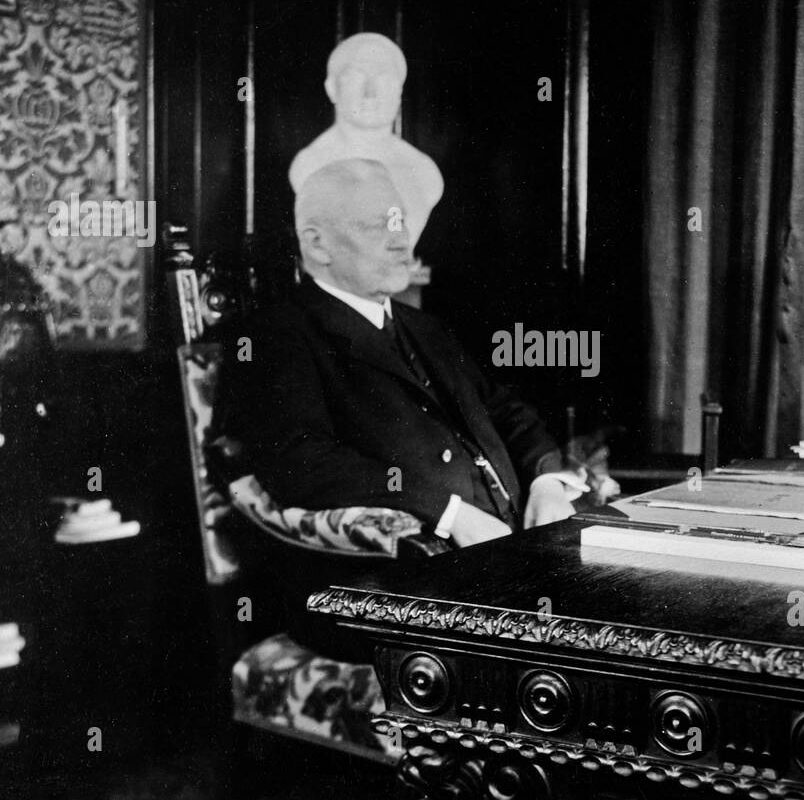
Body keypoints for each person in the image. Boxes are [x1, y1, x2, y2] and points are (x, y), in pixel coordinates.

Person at [228, 158, 582, 549]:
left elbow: (502, 407)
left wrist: (545, 480)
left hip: (522, 543)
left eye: (400, 221)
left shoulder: (425, 326)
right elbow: (302, 461)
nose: (401, 240)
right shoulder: (278, 335)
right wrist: (450, 513)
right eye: (377, 224)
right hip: (415, 568)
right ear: (317, 243)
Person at [288, 33, 444, 248]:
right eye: (356, 77)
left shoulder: (423, 172)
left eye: (384, 79)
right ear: (332, 88)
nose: (370, 93)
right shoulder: (310, 166)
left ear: (399, 90)